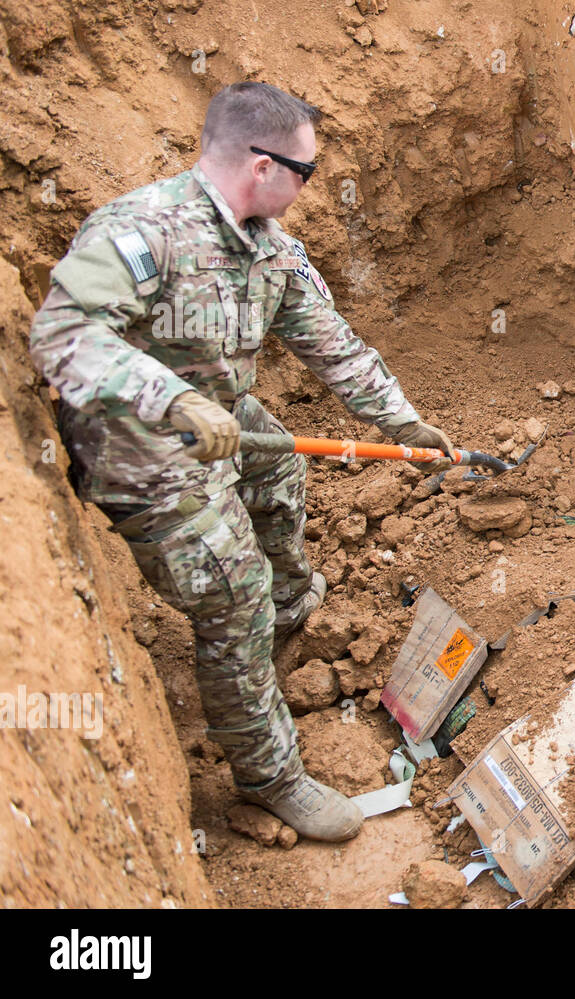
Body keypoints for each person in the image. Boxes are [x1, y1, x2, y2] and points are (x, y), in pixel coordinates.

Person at [28, 81, 455, 840]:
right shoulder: (144, 231)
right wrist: (169, 399)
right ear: (262, 166)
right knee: (233, 595)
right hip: (139, 447)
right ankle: (267, 775)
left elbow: (334, 345)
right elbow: (62, 335)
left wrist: (405, 422)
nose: (307, 187)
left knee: (280, 474)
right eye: (307, 172)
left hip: (220, 420)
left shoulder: (269, 249)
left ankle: (288, 612)